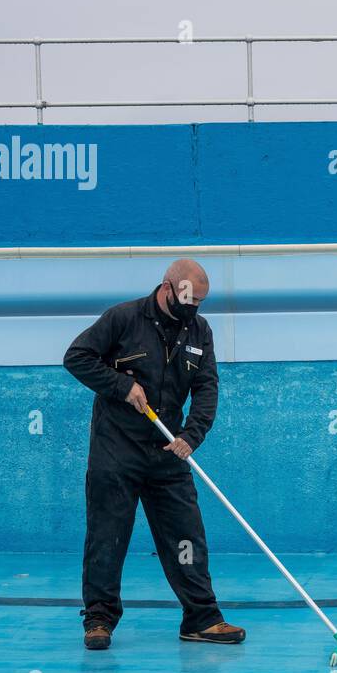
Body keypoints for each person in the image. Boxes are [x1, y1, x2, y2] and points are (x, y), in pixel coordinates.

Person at [63, 258, 245, 650]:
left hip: (168, 454)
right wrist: (120, 386)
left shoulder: (199, 331)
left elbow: (207, 388)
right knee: (107, 537)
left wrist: (191, 436)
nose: (191, 309)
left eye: (199, 303)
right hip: (116, 452)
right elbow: (76, 357)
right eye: (187, 300)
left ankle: (201, 618)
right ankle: (99, 619)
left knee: (186, 537)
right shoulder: (123, 319)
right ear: (167, 287)